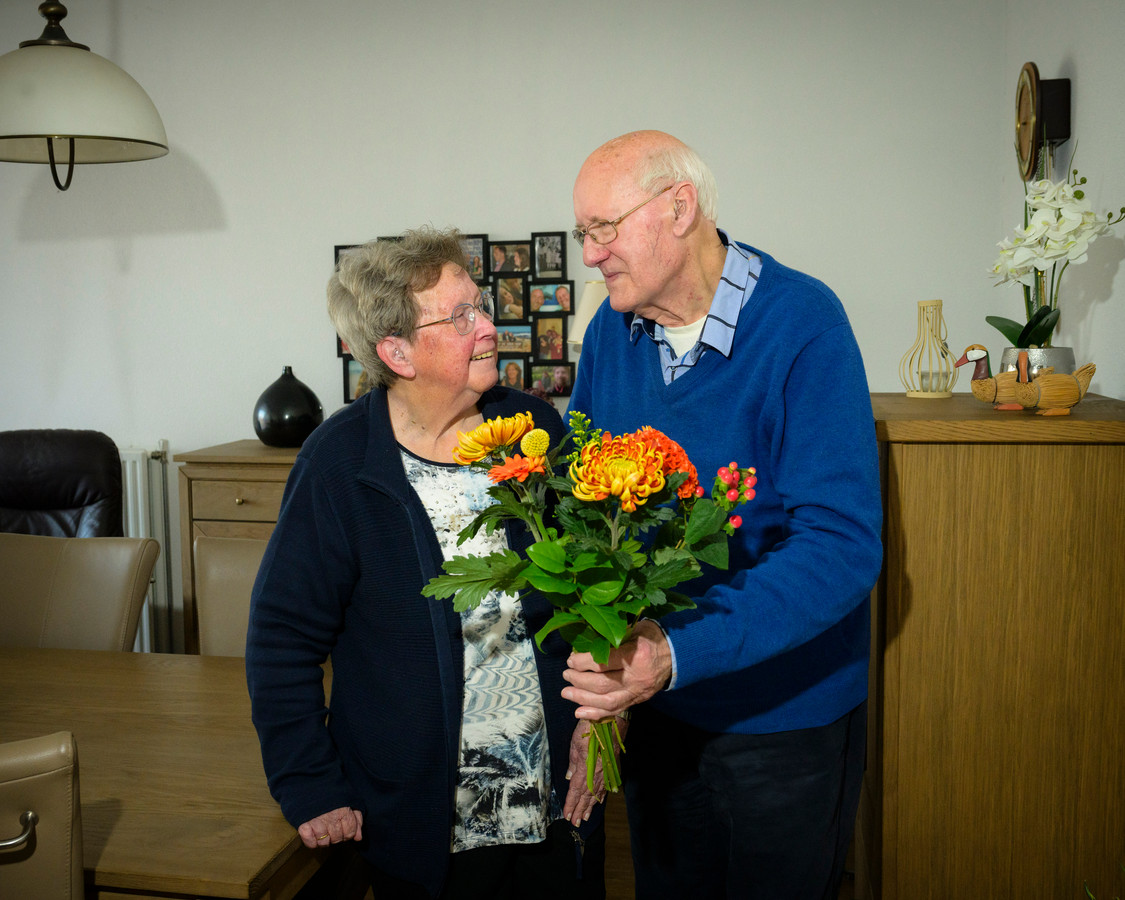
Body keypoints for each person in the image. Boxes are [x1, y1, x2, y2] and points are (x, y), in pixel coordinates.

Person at [561, 130, 883, 898]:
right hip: (657, 713)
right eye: (583, 233)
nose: (591, 253)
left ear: (679, 208)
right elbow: (586, 527)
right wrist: (604, 701)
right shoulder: (610, 331)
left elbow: (839, 547)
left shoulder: (802, 322)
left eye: (604, 228)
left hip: (782, 723)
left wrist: (676, 651)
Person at [246, 227, 606, 900]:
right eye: (461, 315)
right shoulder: (340, 466)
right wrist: (309, 784)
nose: (490, 327)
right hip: (421, 821)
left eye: (481, 304)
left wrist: (600, 722)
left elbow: (595, 595)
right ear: (396, 351)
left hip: (552, 802)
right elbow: (281, 639)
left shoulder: (532, 430)